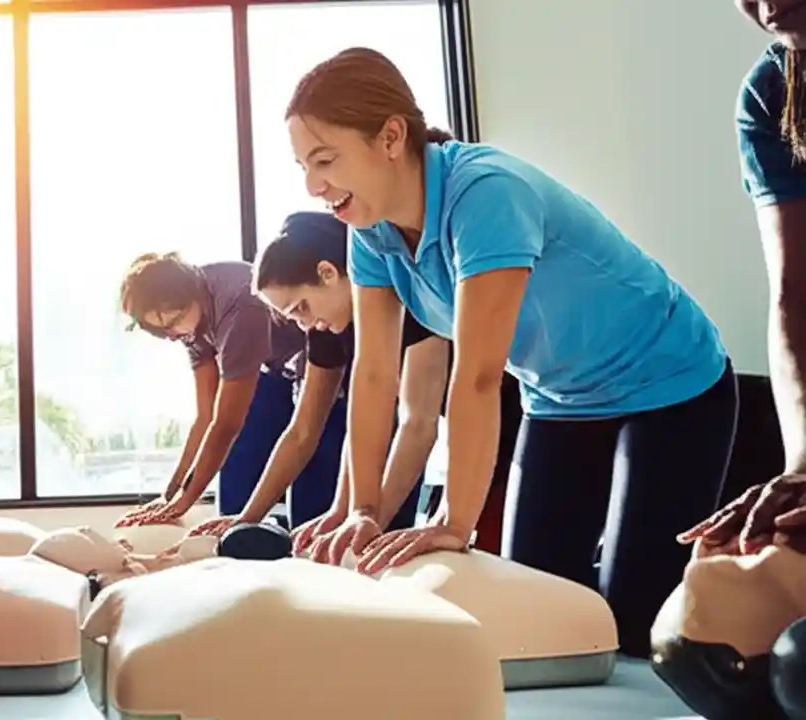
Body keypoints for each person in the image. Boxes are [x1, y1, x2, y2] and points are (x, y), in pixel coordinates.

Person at [286, 47, 738, 657]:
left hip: (670, 385)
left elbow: (475, 376)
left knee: (628, 621)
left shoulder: (486, 194)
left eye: (325, 160)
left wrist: (453, 525)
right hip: (560, 403)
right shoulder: (368, 233)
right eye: (303, 167)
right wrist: (364, 510)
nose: (314, 186)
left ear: (390, 137)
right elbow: (371, 377)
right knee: (539, 613)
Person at [187, 212, 523, 558]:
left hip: (504, 421)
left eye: (302, 306)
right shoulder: (325, 329)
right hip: (458, 419)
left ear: (328, 273)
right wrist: (247, 520)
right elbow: (303, 430)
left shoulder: (406, 298)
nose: (304, 324)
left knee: (499, 546)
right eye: (292, 316)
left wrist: (368, 519)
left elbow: (417, 425)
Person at [679, 0, 806, 558]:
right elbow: (793, 295)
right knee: (721, 568)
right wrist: (802, 465)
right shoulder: (770, 92)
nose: (769, 6)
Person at [114, 253, 310, 526]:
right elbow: (206, 416)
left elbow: (226, 424)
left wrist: (186, 500)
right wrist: (170, 495)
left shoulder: (239, 306)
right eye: (161, 331)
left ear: (189, 295)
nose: (172, 335)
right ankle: (237, 543)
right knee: (234, 482)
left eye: (172, 323)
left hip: (318, 364)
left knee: (309, 495)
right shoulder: (187, 324)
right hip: (273, 368)